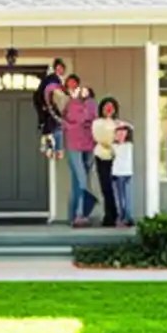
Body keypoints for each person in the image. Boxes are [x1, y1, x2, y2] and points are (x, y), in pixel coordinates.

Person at [61, 74, 98, 226]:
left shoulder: (91, 104)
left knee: (80, 180)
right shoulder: (68, 103)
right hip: (73, 144)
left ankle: (76, 215)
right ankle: (79, 214)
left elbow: (94, 119)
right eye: (69, 85)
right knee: (81, 178)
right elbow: (63, 120)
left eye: (75, 84)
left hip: (89, 144)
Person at [91, 96, 121, 227]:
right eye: (106, 107)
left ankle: (118, 214)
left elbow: (122, 138)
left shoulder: (119, 124)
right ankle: (110, 215)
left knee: (118, 187)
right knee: (106, 187)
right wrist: (111, 145)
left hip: (117, 158)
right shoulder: (97, 122)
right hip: (102, 156)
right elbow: (99, 137)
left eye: (111, 107)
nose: (109, 109)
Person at [34, 58, 67, 159]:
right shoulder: (52, 79)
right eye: (61, 68)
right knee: (54, 127)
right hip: (47, 108)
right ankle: (54, 149)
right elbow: (46, 94)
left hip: (47, 108)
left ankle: (50, 149)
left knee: (51, 128)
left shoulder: (52, 79)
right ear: (57, 68)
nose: (62, 71)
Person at [111, 123, 135, 227]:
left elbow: (132, 127)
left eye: (123, 133)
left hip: (126, 173)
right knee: (120, 197)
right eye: (118, 133)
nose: (120, 135)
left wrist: (121, 124)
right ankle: (123, 217)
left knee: (126, 196)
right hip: (117, 173)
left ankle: (126, 217)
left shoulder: (128, 145)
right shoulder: (113, 146)